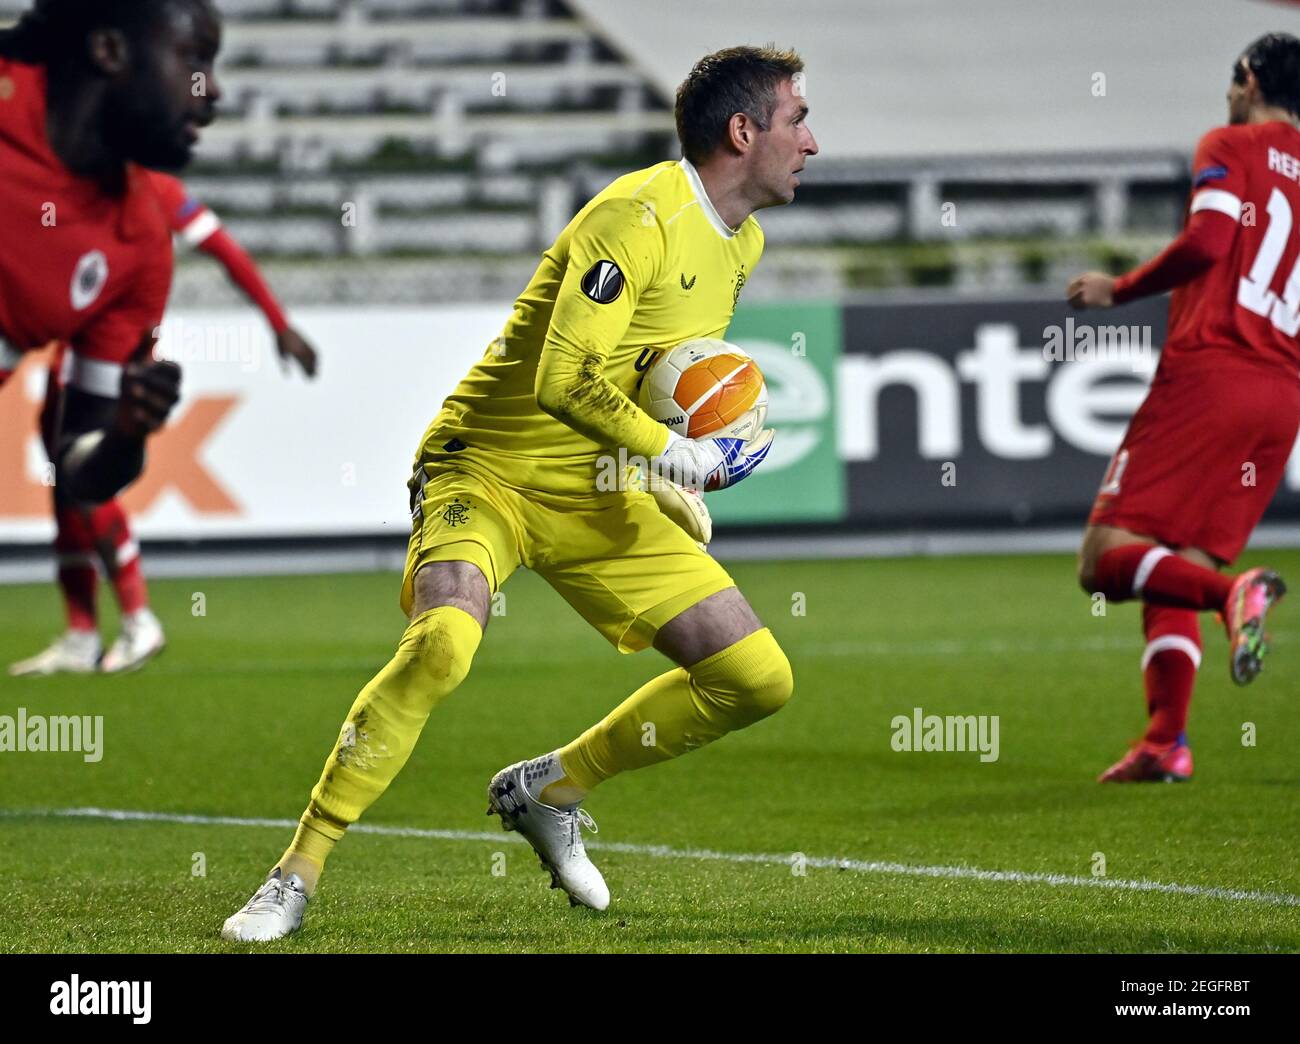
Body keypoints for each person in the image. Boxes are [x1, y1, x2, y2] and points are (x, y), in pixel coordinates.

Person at [222, 45, 818, 941]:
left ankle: (550, 789)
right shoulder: (637, 216)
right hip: (488, 468)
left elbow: (649, 374)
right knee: (443, 646)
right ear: (744, 132)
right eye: (798, 118)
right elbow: (564, 379)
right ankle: (294, 874)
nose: (812, 140)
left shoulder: (743, 242)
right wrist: (676, 455)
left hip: (596, 489)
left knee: (755, 678)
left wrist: (651, 475)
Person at [1067, 33, 1300, 783]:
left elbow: (1208, 238)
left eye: (1233, 81)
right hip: (1283, 394)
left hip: (1214, 373)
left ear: (1249, 78)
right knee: (1173, 562)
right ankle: (1166, 740)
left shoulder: (1234, 141)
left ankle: (1237, 594)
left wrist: (1121, 288)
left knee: (1105, 562)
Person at [9, 172, 319, 677]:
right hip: (72, 349)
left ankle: (137, 619)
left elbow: (224, 250)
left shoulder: (150, 187)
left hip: (112, 361)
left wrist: (278, 323)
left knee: (86, 480)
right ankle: (81, 632)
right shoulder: (78, 183)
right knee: (64, 482)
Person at [0, 0, 222, 547]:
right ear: (109, 51)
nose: (213, 91)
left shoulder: (141, 244)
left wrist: (125, 435)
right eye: (196, 60)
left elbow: (81, 466)